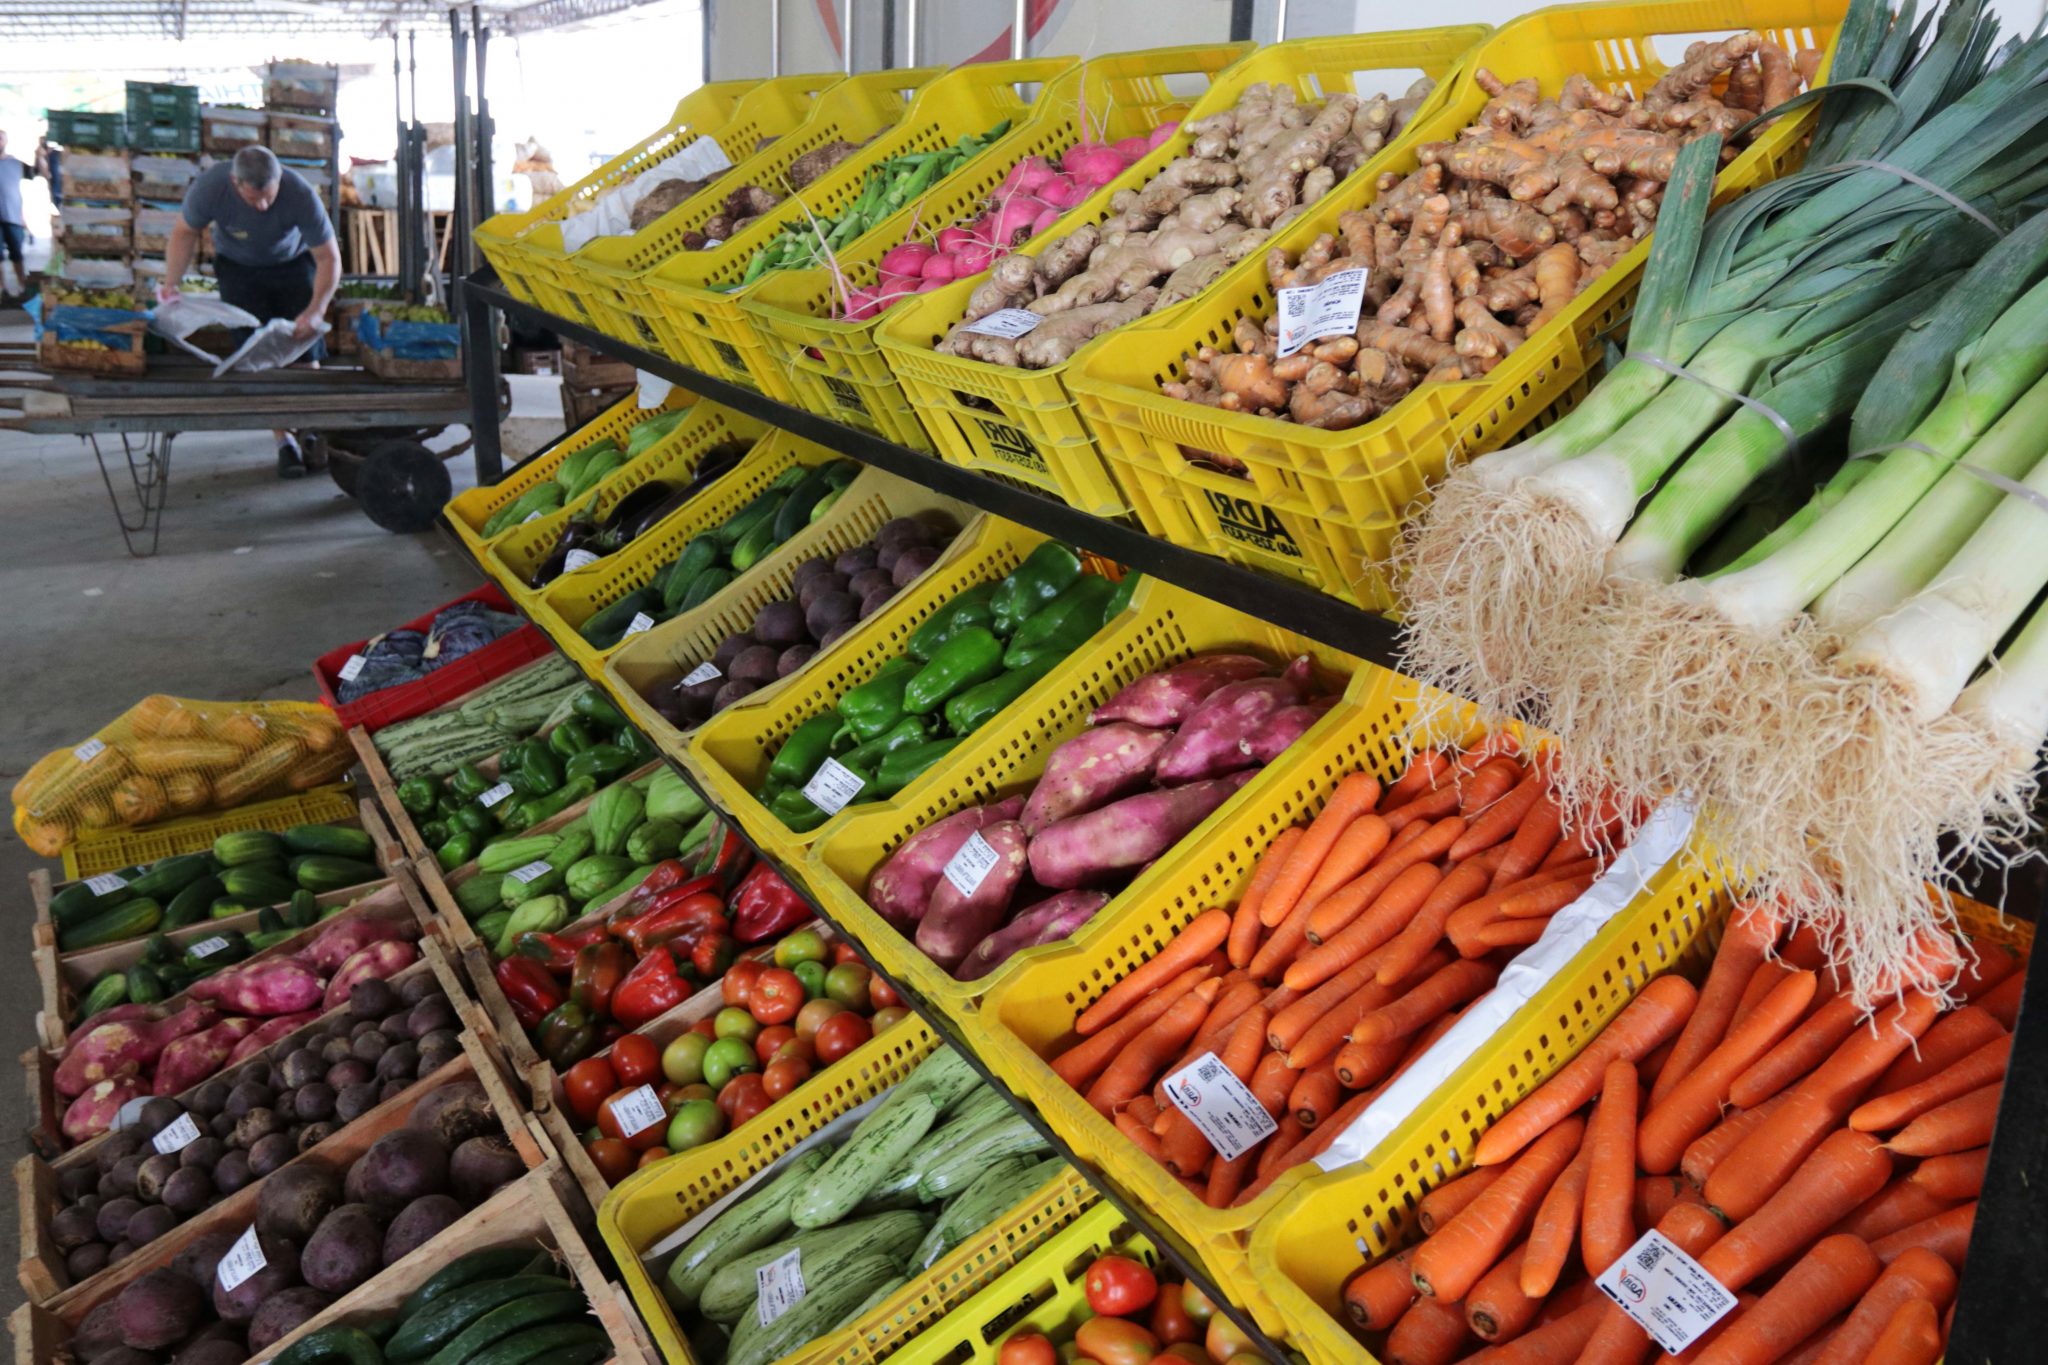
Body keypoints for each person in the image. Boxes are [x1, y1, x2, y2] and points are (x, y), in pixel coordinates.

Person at [160, 146, 342, 478]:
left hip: (292, 264)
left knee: (304, 350)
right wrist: (171, 283)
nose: (262, 207)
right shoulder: (211, 187)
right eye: (254, 199)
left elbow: (329, 257)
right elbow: (184, 232)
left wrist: (317, 310)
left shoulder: (300, 193)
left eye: (269, 198)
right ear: (235, 182)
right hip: (238, 269)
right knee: (257, 357)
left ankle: (310, 430)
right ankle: (284, 441)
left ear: (279, 179)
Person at [0, 129, 45, 303]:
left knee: (17, 254)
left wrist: (39, 155)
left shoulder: (15, 163)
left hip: (12, 216)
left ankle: (22, 286)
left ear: (6, 142)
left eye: (1, 138)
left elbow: (36, 172)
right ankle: (2, 290)